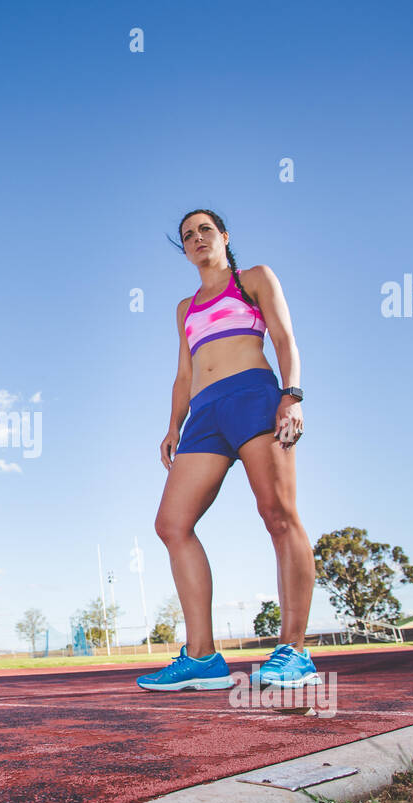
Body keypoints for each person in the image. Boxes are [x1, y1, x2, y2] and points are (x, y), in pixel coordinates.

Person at [136, 209, 320, 692]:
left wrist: (292, 395)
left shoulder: (254, 278)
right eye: (187, 236)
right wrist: (173, 425)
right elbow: (183, 373)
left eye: (205, 231)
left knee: (278, 514)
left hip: (254, 397)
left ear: (224, 237)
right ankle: (202, 657)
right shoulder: (185, 307)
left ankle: (294, 651)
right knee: (171, 524)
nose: (197, 239)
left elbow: (284, 338)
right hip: (205, 414)